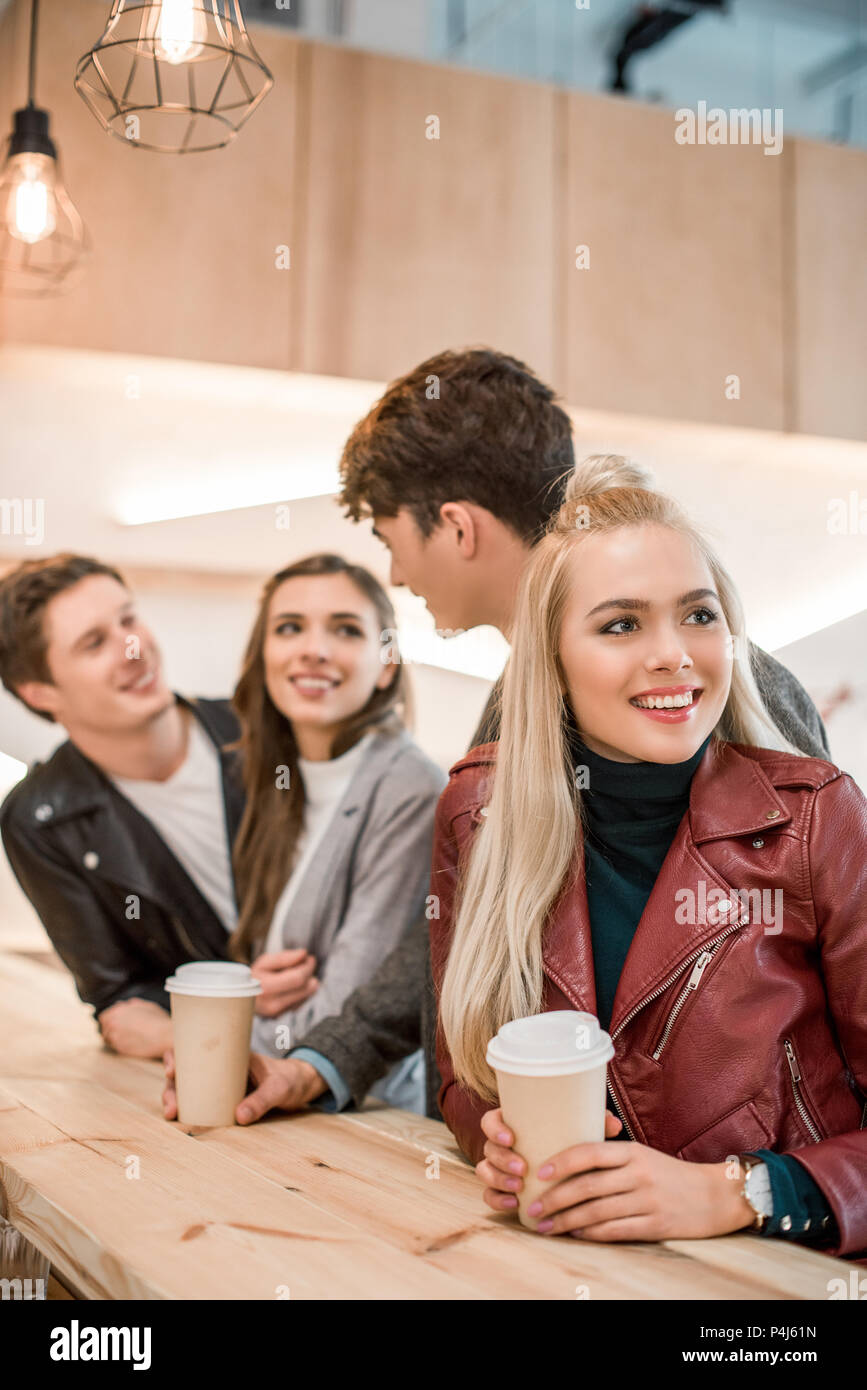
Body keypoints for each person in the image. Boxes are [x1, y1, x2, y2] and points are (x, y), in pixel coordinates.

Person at [163, 349, 832, 1138]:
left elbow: (820, 950)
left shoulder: (736, 686)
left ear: (455, 526)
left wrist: (759, 1186)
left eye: (391, 539)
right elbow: (464, 928)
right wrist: (321, 1061)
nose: (396, 573)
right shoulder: (505, 722)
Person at [430, 458, 867, 1259]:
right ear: (552, 662)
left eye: (697, 615)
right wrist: (489, 1136)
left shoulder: (816, 820)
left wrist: (738, 1191)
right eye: (621, 624)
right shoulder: (475, 814)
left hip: (774, 1289)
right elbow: (459, 1073)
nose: (673, 654)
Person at [226, 552, 446, 1111]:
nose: (314, 649)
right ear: (264, 655)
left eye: (346, 630)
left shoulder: (411, 789)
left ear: (388, 662)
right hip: (278, 1104)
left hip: (365, 1120)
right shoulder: (271, 780)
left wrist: (225, 1024)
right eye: (289, 627)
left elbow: (341, 1013)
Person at [0, 554, 242, 1057]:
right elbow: (119, 997)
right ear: (41, 692)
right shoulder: (37, 822)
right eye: (94, 643)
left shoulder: (267, 734)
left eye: (129, 619)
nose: (133, 647)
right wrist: (232, 1017)